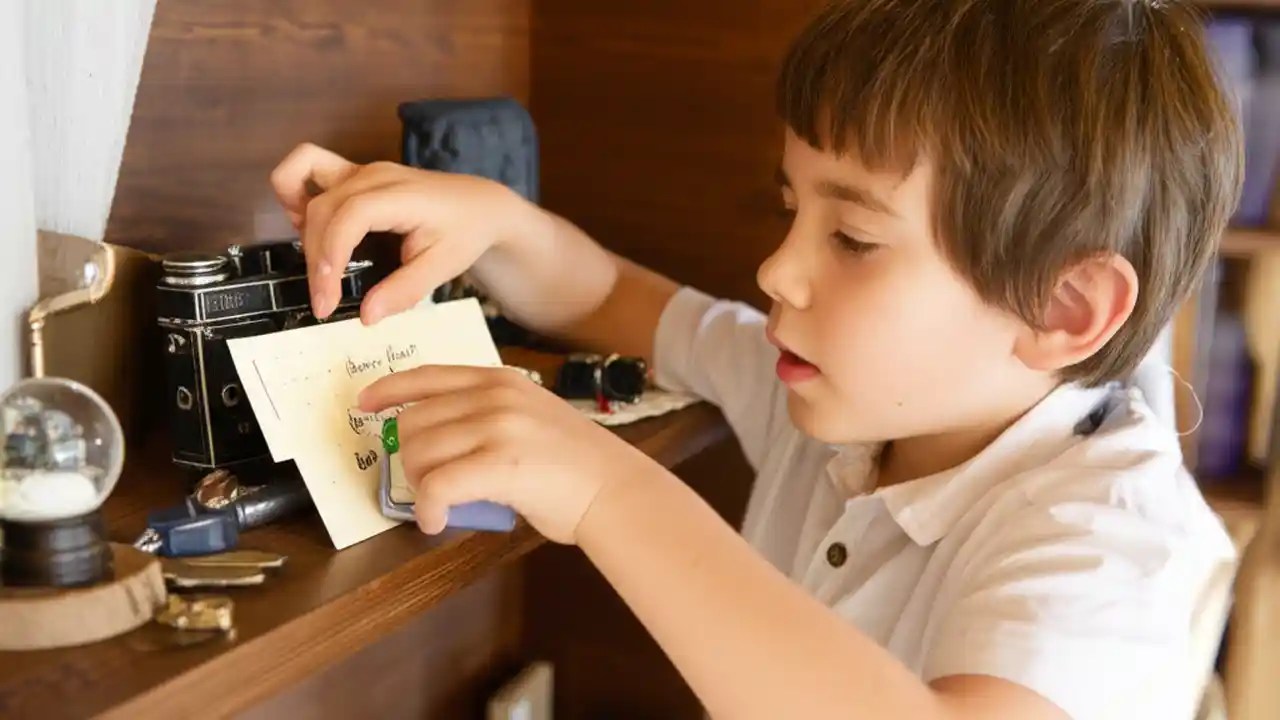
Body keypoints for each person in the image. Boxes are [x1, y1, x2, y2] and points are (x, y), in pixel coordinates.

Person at [269, 0, 1242, 717]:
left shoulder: (1117, 550)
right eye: (788, 208)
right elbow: (614, 298)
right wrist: (497, 223)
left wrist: (610, 494)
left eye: (851, 239)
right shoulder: (843, 396)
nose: (776, 270)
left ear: (1063, 307)